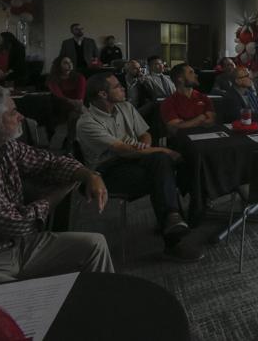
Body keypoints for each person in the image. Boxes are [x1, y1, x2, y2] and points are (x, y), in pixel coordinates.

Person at [76, 73, 203, 262]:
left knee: (161, 167)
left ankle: (171, 219)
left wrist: (149, 147)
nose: (123, 88)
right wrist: (165, 151)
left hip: (135, 160)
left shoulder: (125, 106)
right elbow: (124, 151)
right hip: (105, 173)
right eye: (118, 86)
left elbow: (145, 134)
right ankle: (174, 234)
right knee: (162, 170)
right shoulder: (87, 122)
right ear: (102, 94)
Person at [0, 86, 113, 283]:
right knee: (27, 301)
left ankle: (100, 312)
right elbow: (19, 223)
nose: (21, 116)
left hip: (20, 245)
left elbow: (50, 162)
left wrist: (89, 175)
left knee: (95, 245)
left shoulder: (6, 146)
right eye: (13, 112)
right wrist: (59, 193)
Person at [160, 63, 216, 136]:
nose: (196, 75)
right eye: (191, 72)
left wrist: (185, 123)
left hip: (205, 137)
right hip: (183, 143)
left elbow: (211, 121)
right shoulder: (168, 102)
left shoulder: (203, 97)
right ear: (180, 79)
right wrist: (200, 118)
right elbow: (174, 129)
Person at [47, 56, 85, 150]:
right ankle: (70, 143)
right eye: (65, 62)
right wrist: (74, 103)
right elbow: (59, 96)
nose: (69, 64)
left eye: (70, 61)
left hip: (77, 106)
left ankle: (70, 143)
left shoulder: (79, 77)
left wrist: (78, 104)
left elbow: (81, 96)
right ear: (58, 65)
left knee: (75, 115)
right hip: (60, 106)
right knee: (75, 114)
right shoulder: (53, 79)